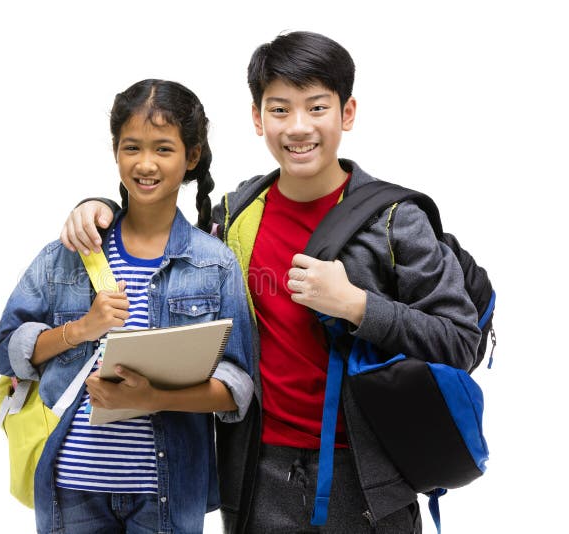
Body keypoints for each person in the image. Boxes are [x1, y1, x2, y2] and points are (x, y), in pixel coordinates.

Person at [59, 32, 481, 533]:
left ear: (347, 113)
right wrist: (101, 207)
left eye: (316, 107)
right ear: (258, 118)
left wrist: (356, 304)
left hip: (366, 480)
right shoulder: (237, 213)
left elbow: (461, 341)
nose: (298, 127)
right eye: (280, 109)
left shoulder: (394, 219)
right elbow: (162, 241)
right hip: (254, 474)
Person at [0, 79, 253, 534]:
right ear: (115, 151)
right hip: (71, 486)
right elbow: (3, 349)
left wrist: (155, 398)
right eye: (132, 147)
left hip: (166, 491)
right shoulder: (70, 251)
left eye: (163, 149)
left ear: (191, 157)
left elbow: (237, 387)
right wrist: (81, 329)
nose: (145, 164)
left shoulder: (216, 264)